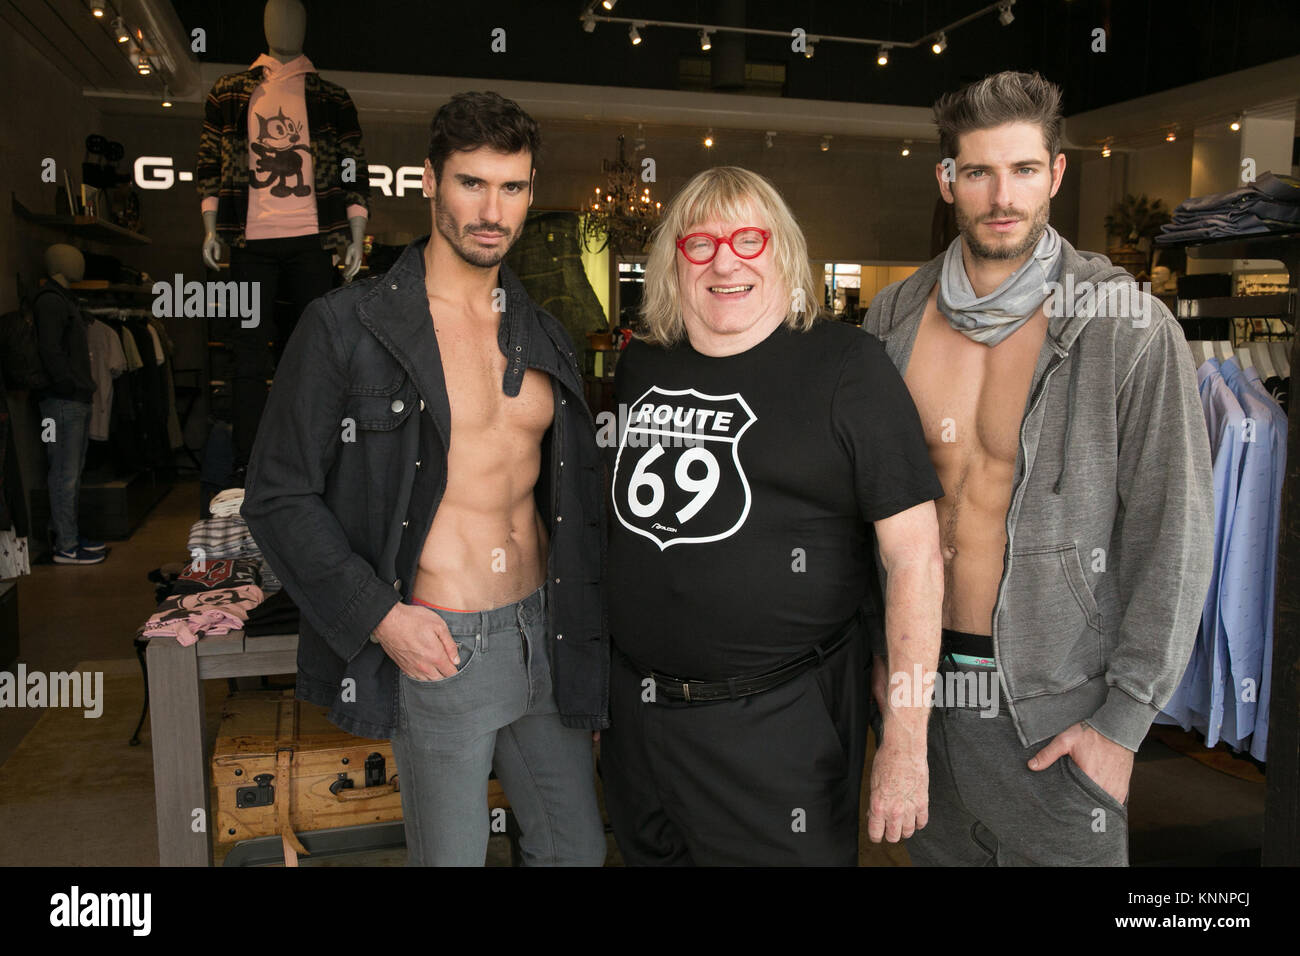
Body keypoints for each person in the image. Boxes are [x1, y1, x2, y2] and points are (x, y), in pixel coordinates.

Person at [241, 91, 607, 866]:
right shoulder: (348, 327)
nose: (491, 209)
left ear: (531, 191)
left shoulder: (543, 331)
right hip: (440, 639)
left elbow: (572, 500)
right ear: (428, 183)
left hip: (543, 632)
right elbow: (277, 495)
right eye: (471, 182)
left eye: (511, 187)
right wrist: (381, 617)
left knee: (574, 849)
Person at [865, 71, 1215, 866]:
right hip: (923, 700)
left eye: (1024, 170)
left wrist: (1122, 724)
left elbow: (1178, 533)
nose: (1002, 195)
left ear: (1056, 174)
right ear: (946, 179)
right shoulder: (894, 317)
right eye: (979, 171)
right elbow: (865, 510)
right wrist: (881, 672)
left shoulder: (1126, 325)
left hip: (1059, 710)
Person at [602, 166, 945, 865]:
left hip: (781, 731)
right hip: (640, 724)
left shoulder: (849, 367)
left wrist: (906, 742)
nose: (725, 260)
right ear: (675, 262)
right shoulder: (641, 367)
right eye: (700, 244)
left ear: (784, 254)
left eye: (748, 239)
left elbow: (915, 558)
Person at [34, 244, 107, 565]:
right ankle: (66, 543)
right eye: (72, 258)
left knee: (69, 472)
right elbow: (51, 351)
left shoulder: (63, 300)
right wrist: (71, 385)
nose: (79, 263)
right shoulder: (50, 302)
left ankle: (68, 535)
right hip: (62, 401)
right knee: (64, 473)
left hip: (69, 398)